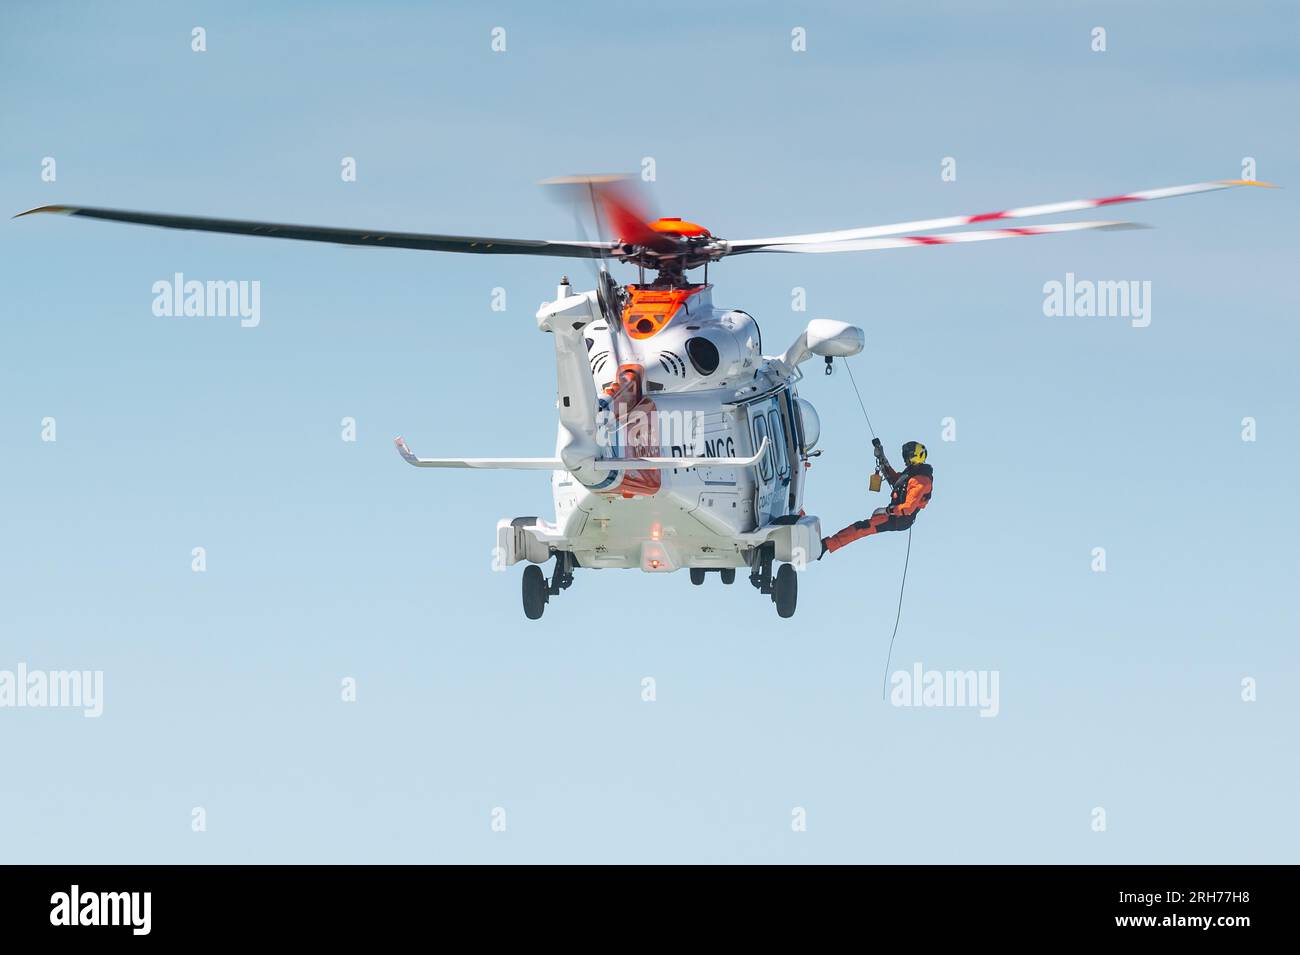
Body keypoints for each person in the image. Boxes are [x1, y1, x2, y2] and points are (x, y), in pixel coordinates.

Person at [821, 440, 933, 556]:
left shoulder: (921, 480)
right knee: (862, 526)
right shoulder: (912, 473)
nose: (905, 459)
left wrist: (887, 511)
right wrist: (882, 459)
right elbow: (896, 480)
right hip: (895, 514)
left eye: (907, 456)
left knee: (863, 527)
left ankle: (825, 546)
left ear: (916, 457)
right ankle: (825, 545)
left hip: (900, 519)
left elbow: (908, 508)